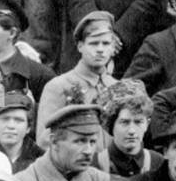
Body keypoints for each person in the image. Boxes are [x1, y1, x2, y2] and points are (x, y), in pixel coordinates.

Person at [36, 11, 119, 146]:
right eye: (93, 43)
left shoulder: (118, 87)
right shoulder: (59, 86)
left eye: (106, 43)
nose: (100, 49)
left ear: (113, 47)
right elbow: (45, 141)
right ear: (80, 46)